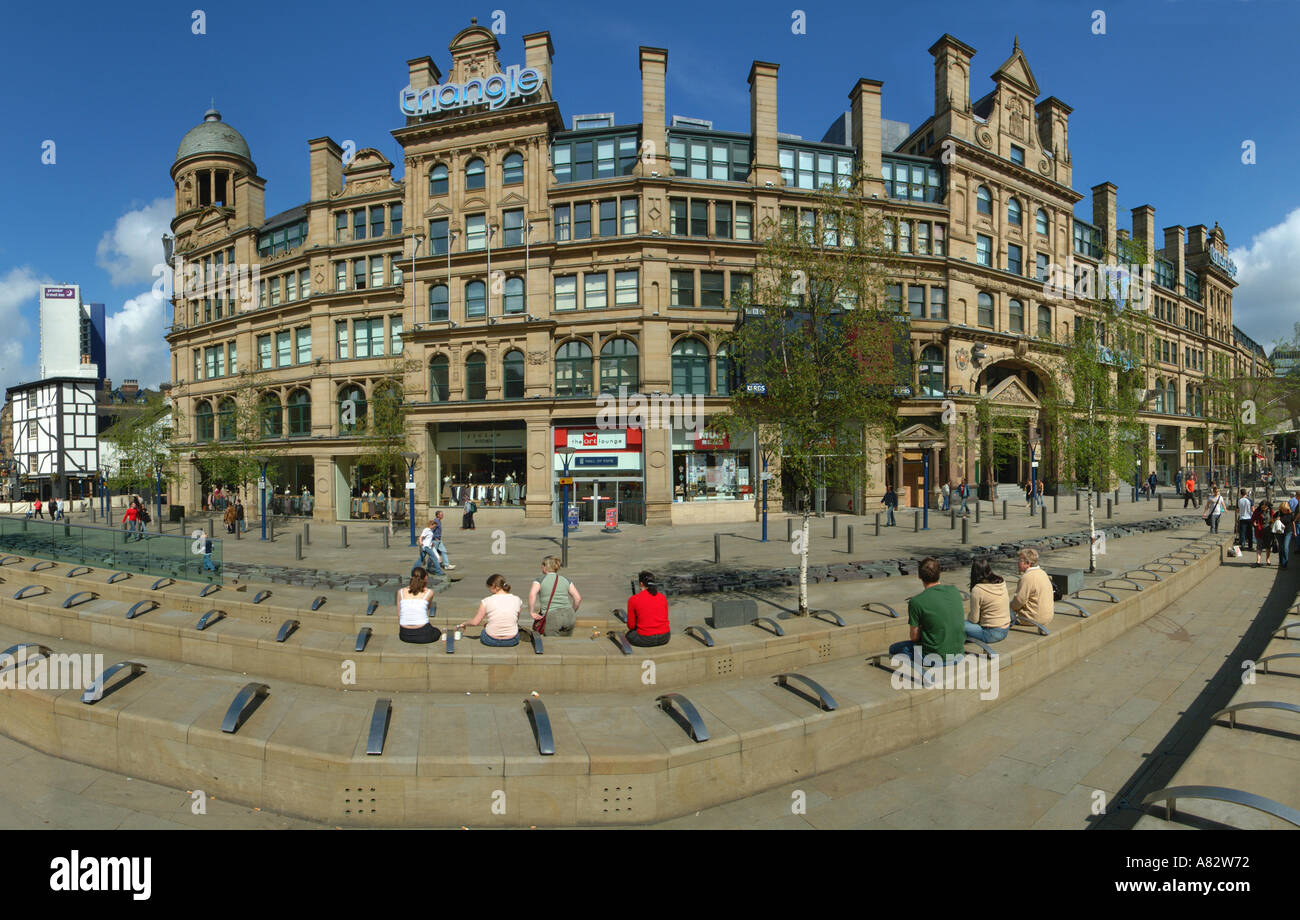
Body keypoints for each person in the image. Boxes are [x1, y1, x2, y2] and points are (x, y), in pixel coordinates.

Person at [888, 556, 965, 666]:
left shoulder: (916, 602)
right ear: (940, 573)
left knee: (894, 648)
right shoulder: (954, 590)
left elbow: (914, 637)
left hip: (932, 657)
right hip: (959, 655)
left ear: (919, 576)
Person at [459, 574, 522, 646]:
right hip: (512, 640)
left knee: (484, 630)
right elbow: (516, 620)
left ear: (493, 586)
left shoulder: (486, 601)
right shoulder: (517, 599)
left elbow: (475, 622)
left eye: (489, 587)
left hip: (491, 640)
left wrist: (464, 623)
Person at [529, 555, 582, 636]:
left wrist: (532, 612)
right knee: (565, 644)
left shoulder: (539, 580)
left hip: (553, 616)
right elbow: (578, 598)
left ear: (544, 567)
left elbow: (532, 595)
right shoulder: (566, 580)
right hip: (569, 615)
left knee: (552, 645)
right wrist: (572, 611)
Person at [966, 558, 1012, 644]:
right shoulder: (1001, 581)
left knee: (958, 625)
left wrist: (968, 617)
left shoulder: (977, 590)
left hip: (990, 633)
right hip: (1005, 628)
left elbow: (974, 619)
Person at [1010, 547, 1054, 629]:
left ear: (1028, 563)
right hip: (1047, 616)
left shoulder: (1027, 577)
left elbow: (1019, 601)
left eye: (1020, 561)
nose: (1017, 563)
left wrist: (1007, 608)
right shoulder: (1043, 573)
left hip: (1032, 618)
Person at [625, 570, 670, 647]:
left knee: (629, 634)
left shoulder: (633, 599)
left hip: (645, 639)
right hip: (665, 637)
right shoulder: (662, 597)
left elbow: (631, 626)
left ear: (641, 584)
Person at [397, 567, 441, 644]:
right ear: (425, 578)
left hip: (404, 634)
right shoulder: (429, 592)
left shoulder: (400, 592)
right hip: (423, 633)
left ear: (411, 577)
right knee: (437, 631)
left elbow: (399, 614)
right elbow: (427, 608)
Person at [1252, 500, 1274, 567]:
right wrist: (1254, 523)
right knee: (1259, 545)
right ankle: (1258, 561)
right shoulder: (1257, 511)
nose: (1263, 509)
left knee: (1268, 546)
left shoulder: (1270, 511)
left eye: (1264, 507)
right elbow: (1253, 518)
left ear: (1267, 506)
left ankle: (1267, 559)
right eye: (1262, 507)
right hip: (1259, 530)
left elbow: (1274, 518)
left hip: (1268, 530)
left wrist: (1272, 521)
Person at [1275, 502, 1294, 570]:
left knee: (1285, 547)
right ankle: (1281, 562)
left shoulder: (1290, 514)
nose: (1284, 511)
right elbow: (1272, 520)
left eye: (1285, 509)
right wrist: (1276, 519)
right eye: (1283, 509)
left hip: (1288, 532)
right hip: (1279, 532)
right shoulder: (1278, 513)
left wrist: (1294, 532)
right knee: (1281, 547)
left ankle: (1285, 563)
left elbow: (1293, 522)